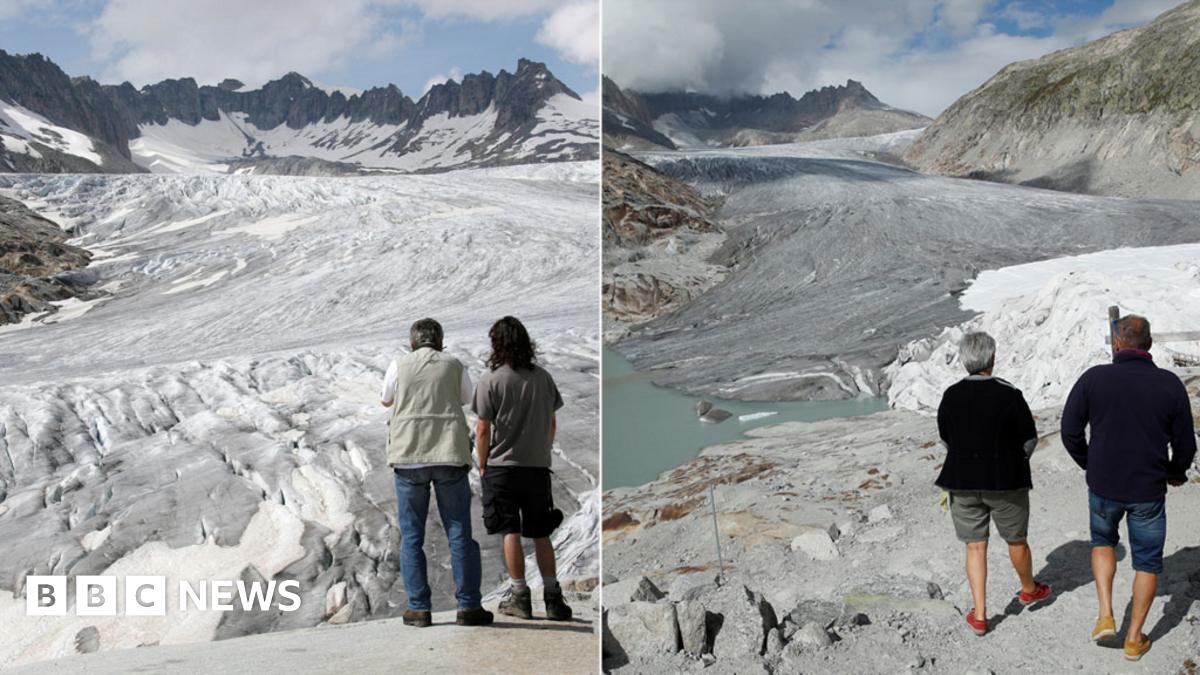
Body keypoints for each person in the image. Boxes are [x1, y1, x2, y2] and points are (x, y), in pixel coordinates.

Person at [1062, 315, 1195, 661]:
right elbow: (1185, 442)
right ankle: (1134, 639)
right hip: (1148, 490)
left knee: (1103, 543)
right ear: (1149, 345)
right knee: (1147, 562)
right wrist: (1175, 471)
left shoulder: (1094, 378)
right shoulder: (1169, 385)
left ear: (1117, 344)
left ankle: (1105, 614)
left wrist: (1089, 463)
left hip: (1104, 485)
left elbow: (1069, 430)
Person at [936, 331, 1052, 636]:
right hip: (1006, 481)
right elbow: (1029, 439)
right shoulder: (1009, 394)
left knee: (975, 547)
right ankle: (1029, 589)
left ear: (964, 360)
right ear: (992, 358)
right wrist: (1015, 461)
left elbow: (946, 438)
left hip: (961, 481)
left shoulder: (950, 395)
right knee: (1016, 540)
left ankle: (981, 614)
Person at [381, 318, 493, 628]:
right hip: (448, 453)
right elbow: (466, 398)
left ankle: (419, 608)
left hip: (408, 457)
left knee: (412, 537)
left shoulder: (399, 365)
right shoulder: (454, 364)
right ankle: (469, 606)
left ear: (412, 342)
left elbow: (386, 399)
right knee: (459, 534)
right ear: (440, 340)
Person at [473, 316, 572, 621]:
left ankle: (520, 597)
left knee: (510, 530)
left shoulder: (492, 380)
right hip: (536, 467)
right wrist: (542, 450)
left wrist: (483, 464)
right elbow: (552, 422)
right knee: (541, 532)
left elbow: (482, 429)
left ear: (496, 344)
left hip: (502, 467)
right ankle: (553, 598)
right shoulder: (543, 378)